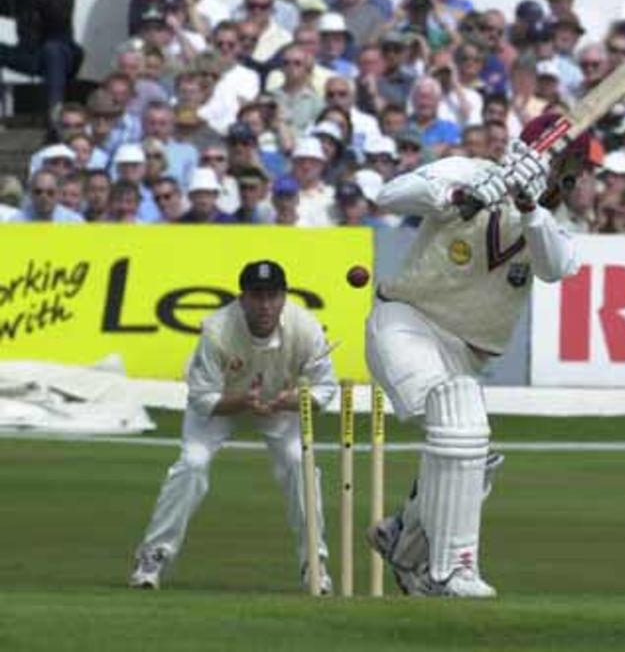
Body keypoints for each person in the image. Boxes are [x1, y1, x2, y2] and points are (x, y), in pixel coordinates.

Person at [363, 113, 582, 598]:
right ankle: (453, 572)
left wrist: (527, 206)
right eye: (568, 172)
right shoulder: (466, 170)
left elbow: (557, 266)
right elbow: (388, 196)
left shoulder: (550, 222)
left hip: (465, 354)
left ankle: (406, 543)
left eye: (574, 177)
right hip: (408, 323)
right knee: (461, 423)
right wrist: (453, 196)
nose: (571, 185)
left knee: (472, 459)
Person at [129, 261, 337, 592]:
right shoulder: (217, 331)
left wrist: (291, 400)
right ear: (243, 298)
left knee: (301, 464)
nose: (265, 305)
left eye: (272, 296)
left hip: (281, 405)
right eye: (257, 296)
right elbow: (201, 398)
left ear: (284, 297)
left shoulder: (306, 329)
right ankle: (153, 556)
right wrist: (242, 402)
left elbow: (327, 390)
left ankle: (315, 564)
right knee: (192, 464)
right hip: (223, 403)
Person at [0, 0, 84, 115]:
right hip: (29, 53)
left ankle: (55, 113)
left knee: (52, 50)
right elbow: (4, 8)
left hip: (61, 52)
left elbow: (60, 20)